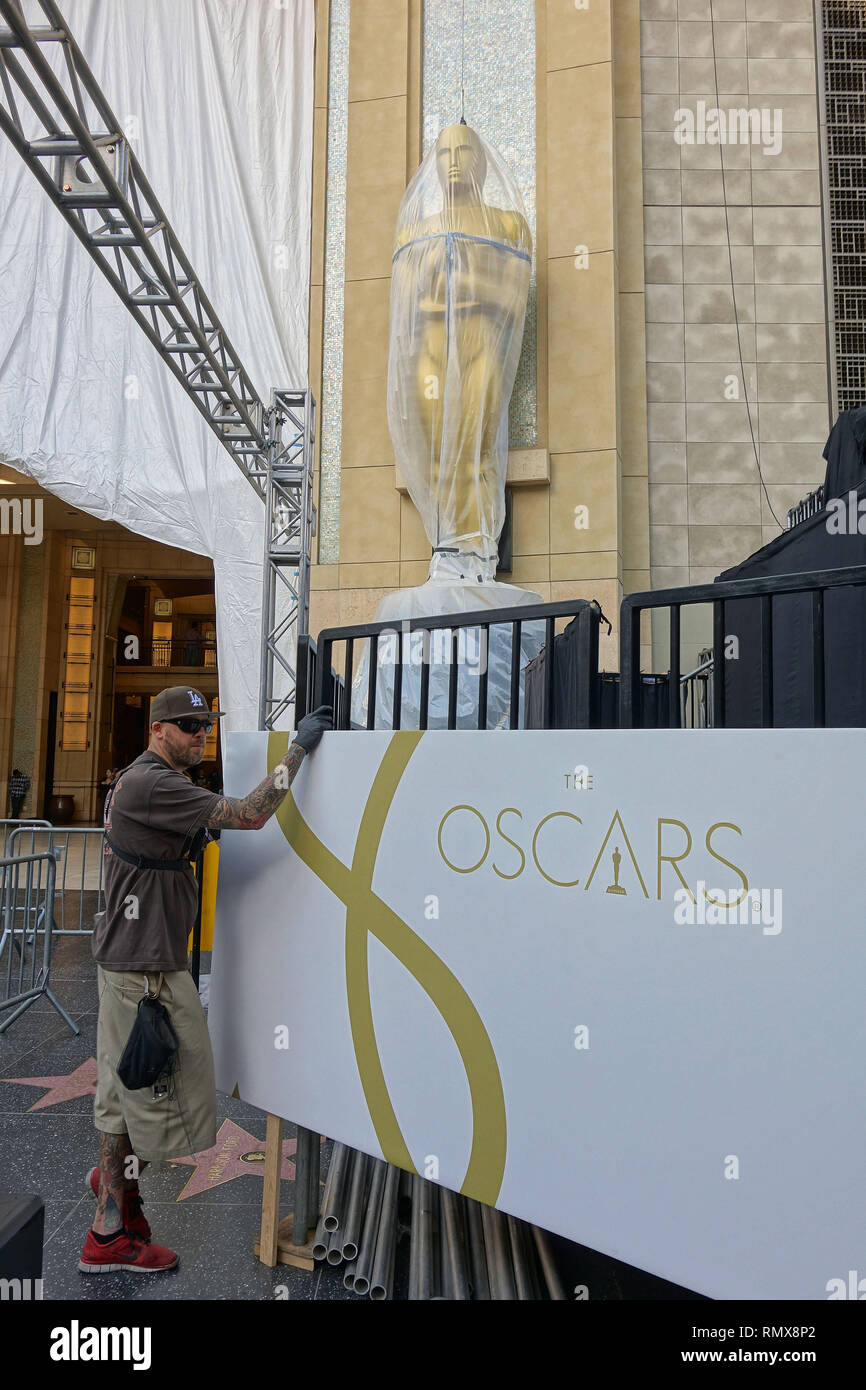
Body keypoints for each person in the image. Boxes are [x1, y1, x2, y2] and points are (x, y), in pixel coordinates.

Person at [79, 685, 332, 1274]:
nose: (200, 733)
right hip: (142, 969)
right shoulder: (153, 783)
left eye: (206, 723)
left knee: (125, 1095)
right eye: (189, 724)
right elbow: (250, 813)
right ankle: (112, 1209)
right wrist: (297, 751)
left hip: (140, 961)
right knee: (169, 1094)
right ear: (158, 730)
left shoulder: (157, 785)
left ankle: (115, 1207)